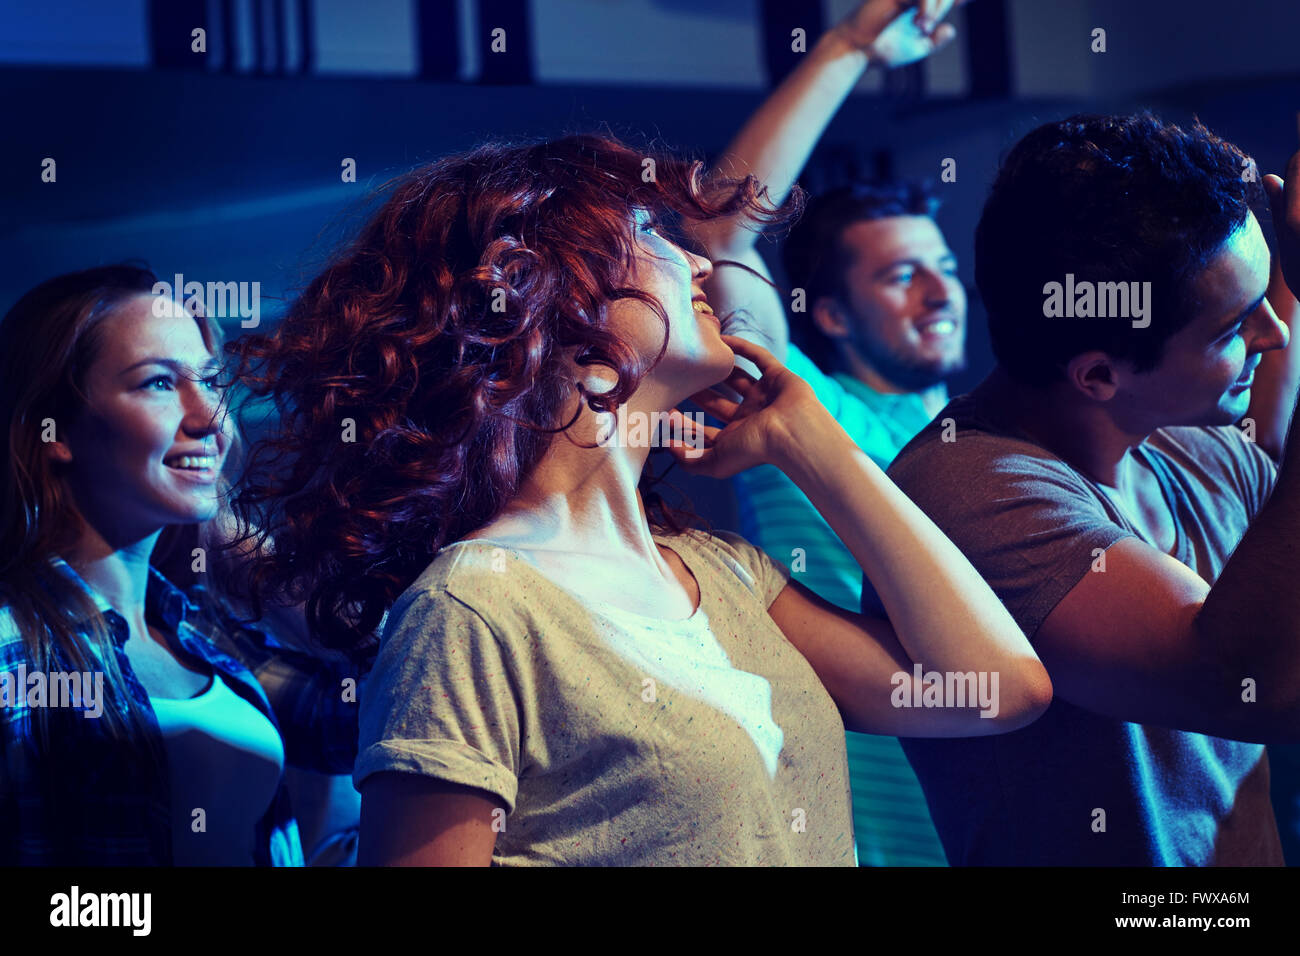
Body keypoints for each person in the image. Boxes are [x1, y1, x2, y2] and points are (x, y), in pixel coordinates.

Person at [225, 132, 1051, 866]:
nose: (698, 263)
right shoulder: (473, 608)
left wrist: (813, 443)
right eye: (650, 234)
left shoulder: (727, 577)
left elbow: (999, 689)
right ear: (558, 318)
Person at [882, 112, 1300, 865]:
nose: (1276, 335)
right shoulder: (967, 495)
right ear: (1099, 374)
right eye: (1235, 325)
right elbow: (1257, 686)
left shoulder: (1196, 446)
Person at [684, 0, 968, 866]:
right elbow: (721, 221)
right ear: (834, 314)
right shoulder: (800, 407)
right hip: (869, 835)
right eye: (901, 275)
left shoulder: (1000, 438)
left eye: (945, 268)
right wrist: (848, 45)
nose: (938, 292)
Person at [0, 265, 354, 865]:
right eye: (159, 384)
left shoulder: (197, 630)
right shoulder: (13, 644)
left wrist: (241, 552)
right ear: (53, 431)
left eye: (210, 380)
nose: (210, 417)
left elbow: (356, 721)